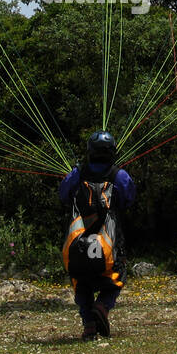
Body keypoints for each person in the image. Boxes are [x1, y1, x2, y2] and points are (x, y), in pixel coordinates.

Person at [59, 131, 136, 340]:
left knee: (81, 282)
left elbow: (63, 195)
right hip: (108, 243)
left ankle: (89, 326)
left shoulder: (77, 173)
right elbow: (129, 199)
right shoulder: (119, 176)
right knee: (115, 278)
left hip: (77, 242)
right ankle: (102, 306)